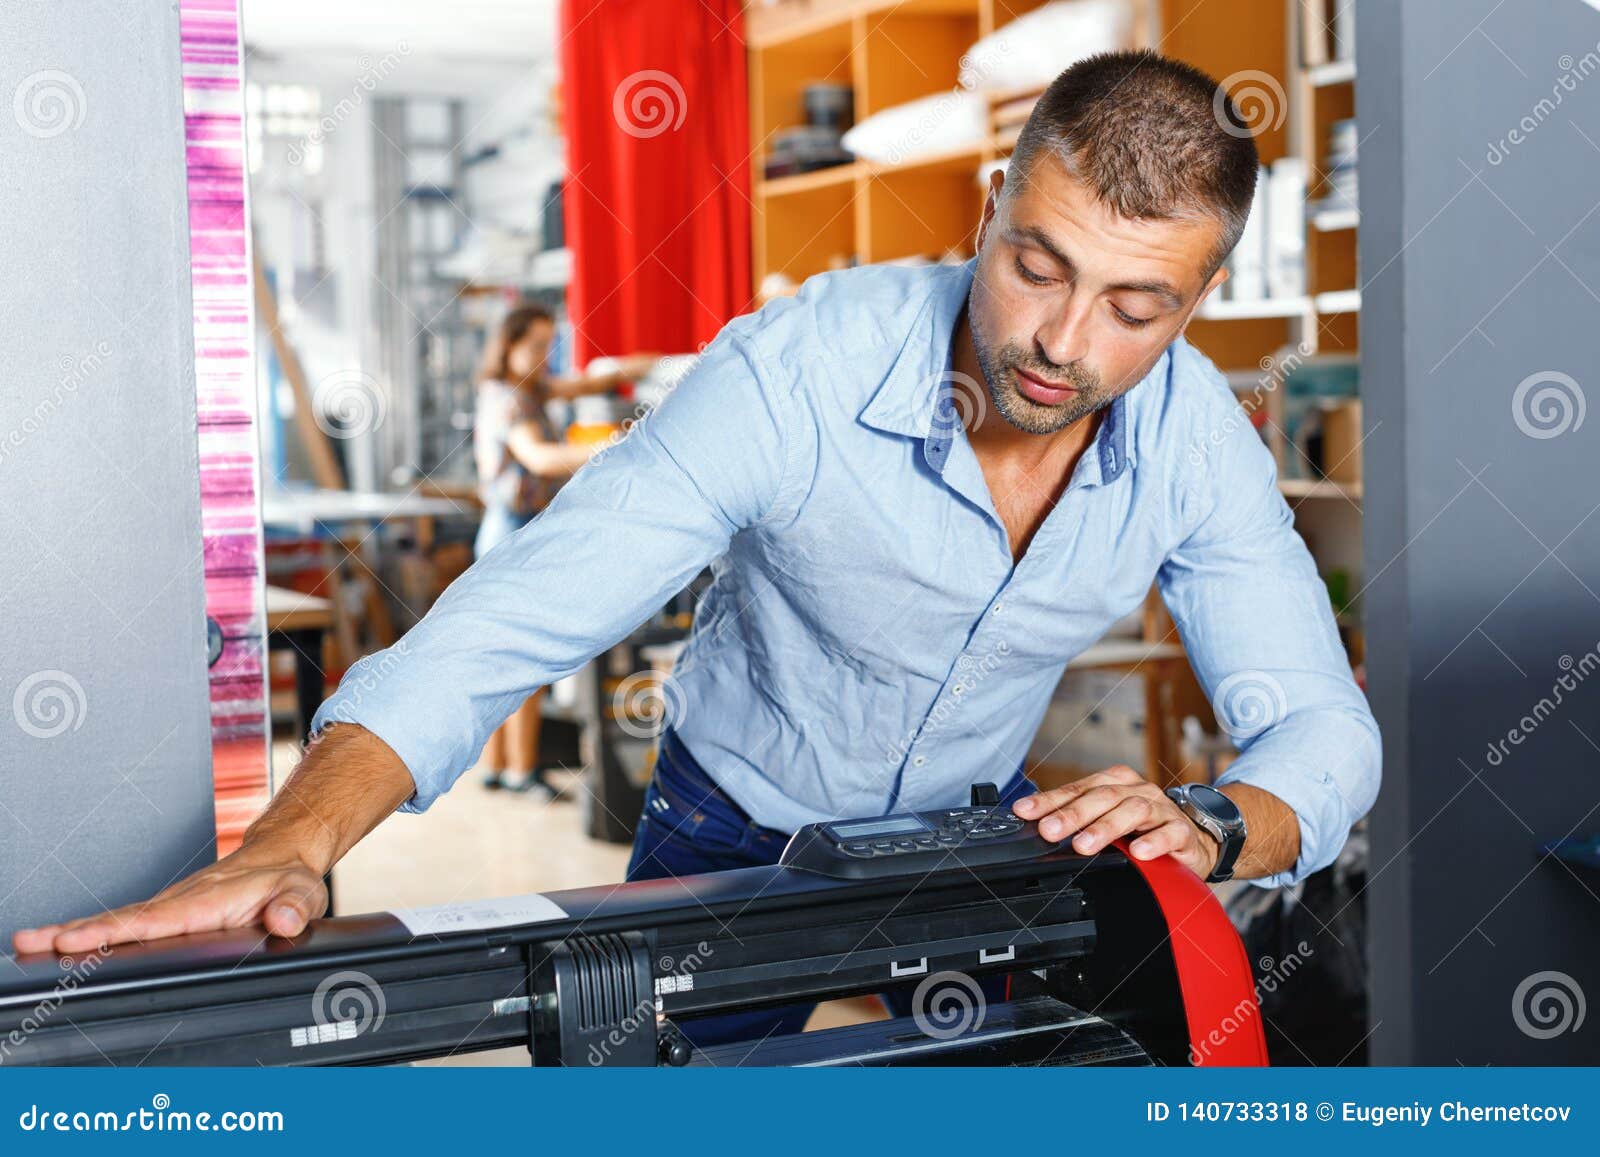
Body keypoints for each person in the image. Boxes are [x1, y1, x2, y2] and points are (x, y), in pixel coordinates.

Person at [16, 52, 1379, 1046]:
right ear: (985, 211)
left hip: (969, 834)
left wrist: (1215, 820)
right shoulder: (797, 373)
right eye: (1037, 266)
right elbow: (520, 612)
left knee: (1026, 1083)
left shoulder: (1201, 438)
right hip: (729, 819)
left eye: (1137, 305)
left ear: (1199, 303)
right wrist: (298, 837)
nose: (1062, 343)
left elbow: (1323, 725)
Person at [469, 304, 657, 796]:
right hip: (512, 534)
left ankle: (498, 767)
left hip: (512, 531)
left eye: (548, 345)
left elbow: (581, 386)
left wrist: (643, 368)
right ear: (507, 346)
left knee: (502, 659)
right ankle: (520, 772)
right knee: (524, 661)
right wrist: (617, 446)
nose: (543, 356)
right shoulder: (508, 399)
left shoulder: (529, 386)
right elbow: (540, 457)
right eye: (533, 347)